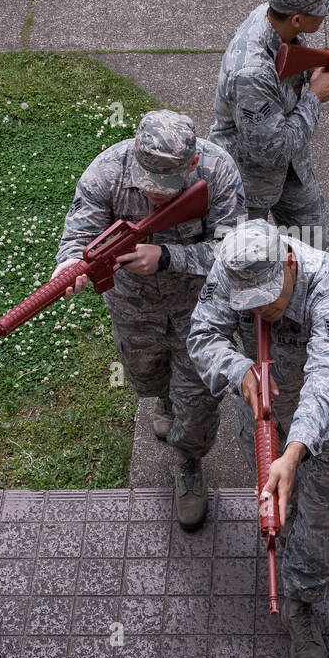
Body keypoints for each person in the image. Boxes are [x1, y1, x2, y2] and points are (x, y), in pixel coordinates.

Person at [188, 219, 329, 658]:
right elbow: (203, 335)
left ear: (289, 261)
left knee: (322, 517)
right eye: (249, 303)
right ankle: (284, 547)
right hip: (263, 414)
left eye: (269, 296)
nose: (262, 310)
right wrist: (238, 371)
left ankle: (302, 602)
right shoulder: (231, 268)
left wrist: (294, 452)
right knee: (279, 511)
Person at [52, 110, 246, 531]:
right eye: (148, 187)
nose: (156, 196)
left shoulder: (220, 171)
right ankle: (165, 398)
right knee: (147, 377)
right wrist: (67, 267)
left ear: (192, 165)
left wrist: (166, 257)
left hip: (202, 310)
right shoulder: (107, 170)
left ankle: (188, 461)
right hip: (134, 310)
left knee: (198, 399)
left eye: (167, 189)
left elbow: (234, 251)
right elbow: (78, 234)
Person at [208, 0, 329, 251]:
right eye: (320, 12)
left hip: (291, 173)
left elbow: (292, 67)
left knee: (310, 250)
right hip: (245, 185)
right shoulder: (252, 73)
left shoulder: (274, 16)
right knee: (239, 262)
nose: (325, 17)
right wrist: (314, 96)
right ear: (297, 18)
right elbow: (273, 151)